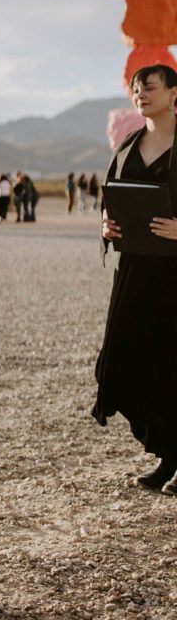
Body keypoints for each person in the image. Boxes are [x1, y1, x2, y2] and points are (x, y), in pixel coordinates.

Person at [94, 64, 177, 492]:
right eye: (135, 87)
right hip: (136, 273)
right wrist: (108, 227)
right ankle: (168, 455)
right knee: (132, 360)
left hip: (175, 275)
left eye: (150, 86)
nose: (140, 92)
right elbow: (112, 199)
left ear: (173, 93)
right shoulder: (129, 144)